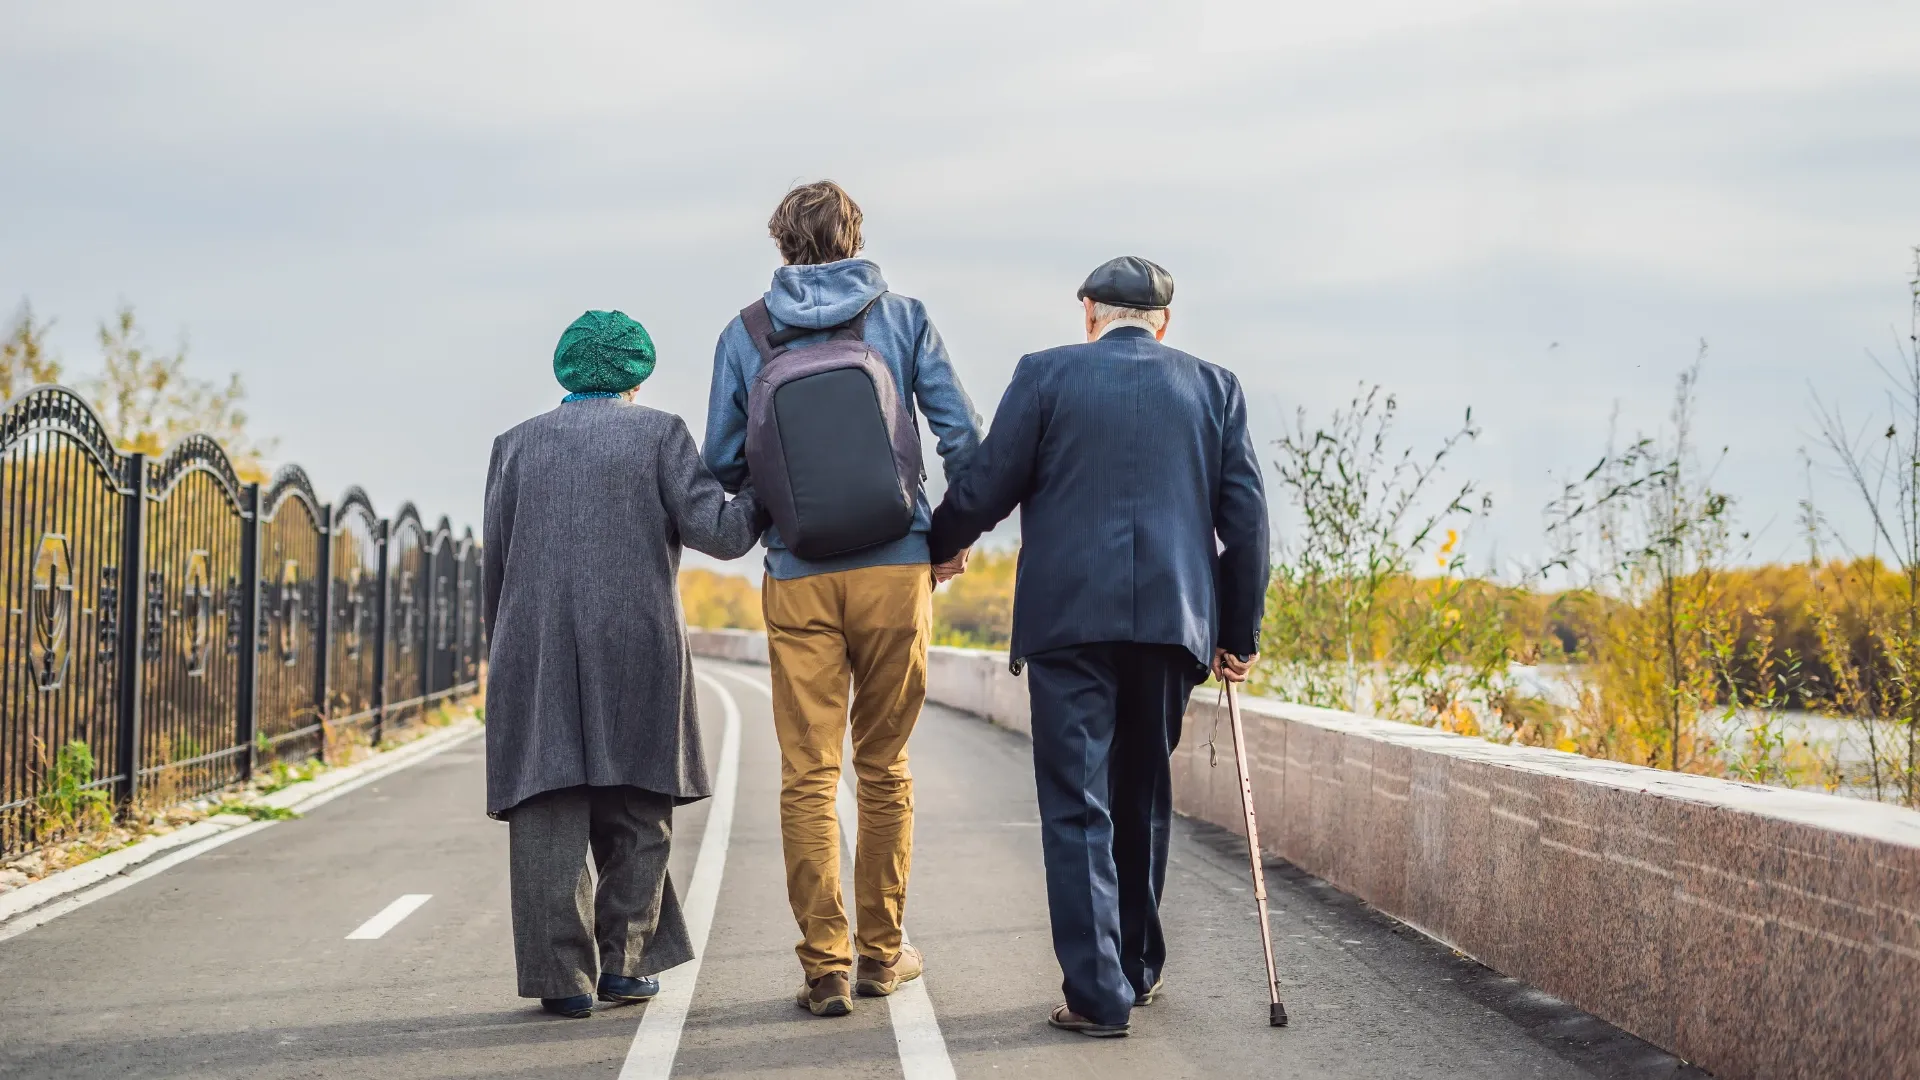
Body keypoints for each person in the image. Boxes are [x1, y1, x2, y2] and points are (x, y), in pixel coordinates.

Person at [927, 257, 1270, 1037]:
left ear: (1088, 313)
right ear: (1163, 322)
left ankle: (1097, 994)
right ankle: (1137, 969)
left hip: (1070, 624)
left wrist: (937, 550)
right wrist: (1237, 633)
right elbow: (1246, 523)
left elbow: (985, 487)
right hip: (1172, 627)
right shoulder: (1215, 389)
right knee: (1141, 796)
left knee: (1077, 806)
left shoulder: (1046, 376)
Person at [703, 180, 983, 1017]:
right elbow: (962, 438)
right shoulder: (903, 318)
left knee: (808, 775)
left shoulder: (746, 333)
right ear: (855, 237)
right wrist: (946, 538)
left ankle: (825, 965)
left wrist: (784, 514)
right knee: (884, 767)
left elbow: (724, 463)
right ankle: (882, 955)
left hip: (799, 574)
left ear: (781, 243)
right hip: (896, 567)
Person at [483, 310, 765, 1019]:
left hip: (534, 646)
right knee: (639, 804)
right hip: (639, 645)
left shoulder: (513, 446)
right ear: (637, 376)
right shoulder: (660, 435)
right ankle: (626, 964)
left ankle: (561, 980)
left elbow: (496, 565)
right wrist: (766, 483)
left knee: (545, 805)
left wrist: (505, 652)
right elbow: (722, 533)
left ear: (565, 368)